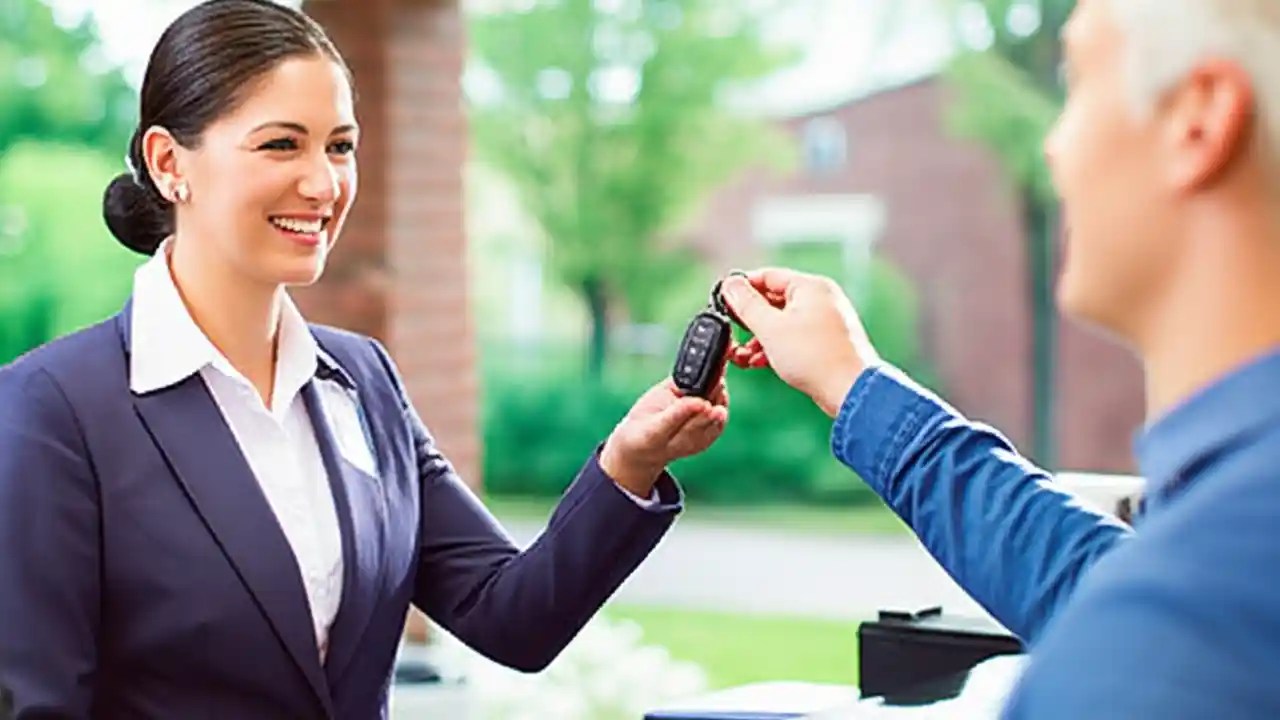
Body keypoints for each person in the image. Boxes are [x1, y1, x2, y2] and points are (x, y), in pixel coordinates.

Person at [0, 1, 729, 718]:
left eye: (340, 146)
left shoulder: (362, 381)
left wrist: (629, 465)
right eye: (281, 145)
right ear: (169, 163)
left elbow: (509, 616)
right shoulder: (52, 410)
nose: (323, 185)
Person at [720, 0, 1280, 716]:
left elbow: (1138, 627)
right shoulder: (1221, 580)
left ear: (1198, 120)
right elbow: (1098, 584)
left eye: (1077, 80)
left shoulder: (1171, 648)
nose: (1053, 146)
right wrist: (852, 383)